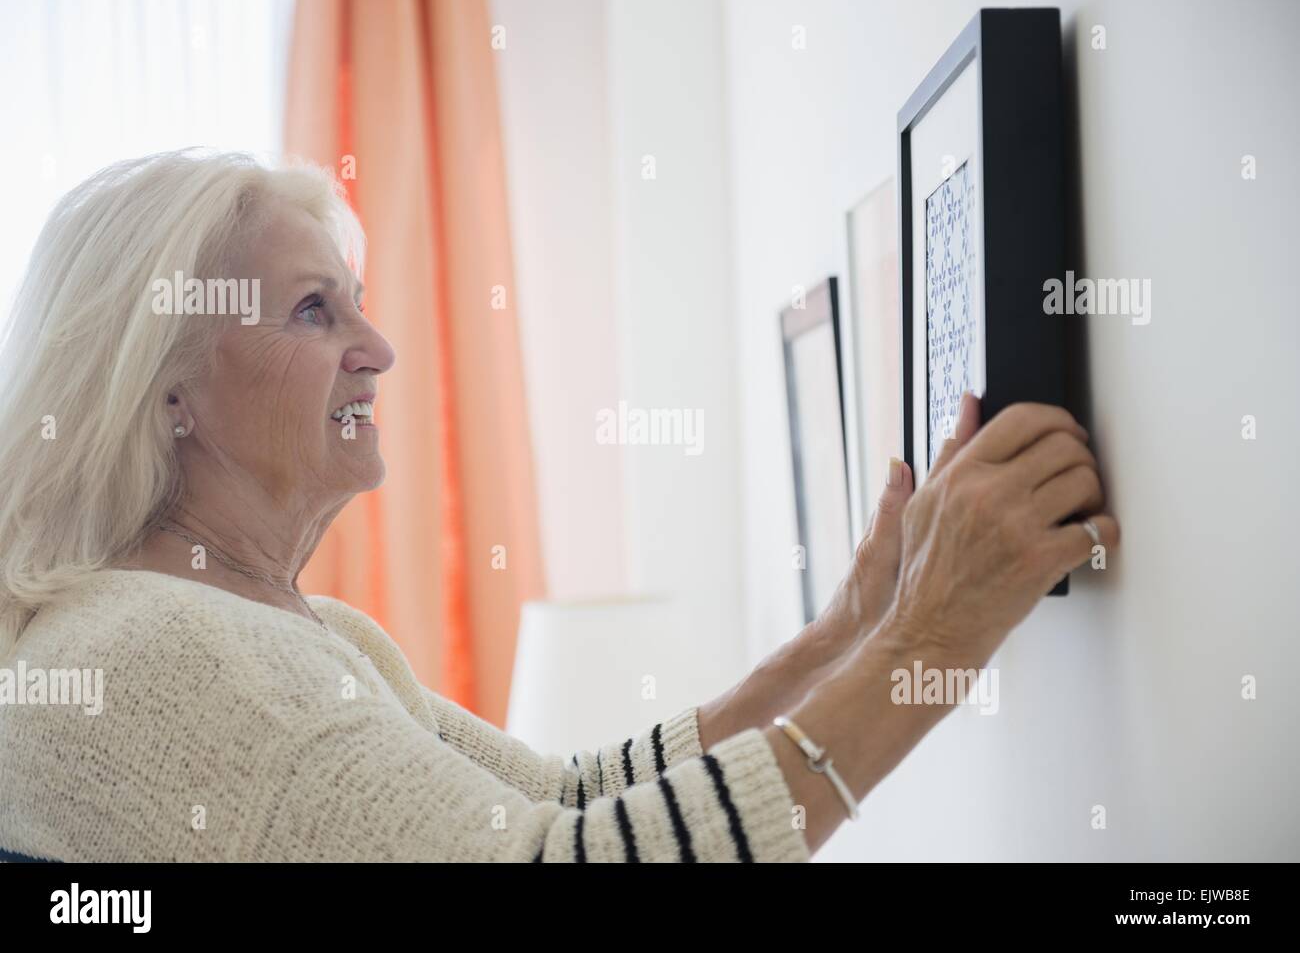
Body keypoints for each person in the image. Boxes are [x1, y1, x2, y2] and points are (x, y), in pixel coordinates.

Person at [0, 151, 1117, 861]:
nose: (378, 350)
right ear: (168, 391)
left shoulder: (289, 629)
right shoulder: (169, 652)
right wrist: (937, 634)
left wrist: (847, 637)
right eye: (311, 311)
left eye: (357, 307)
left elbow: (564, 797)